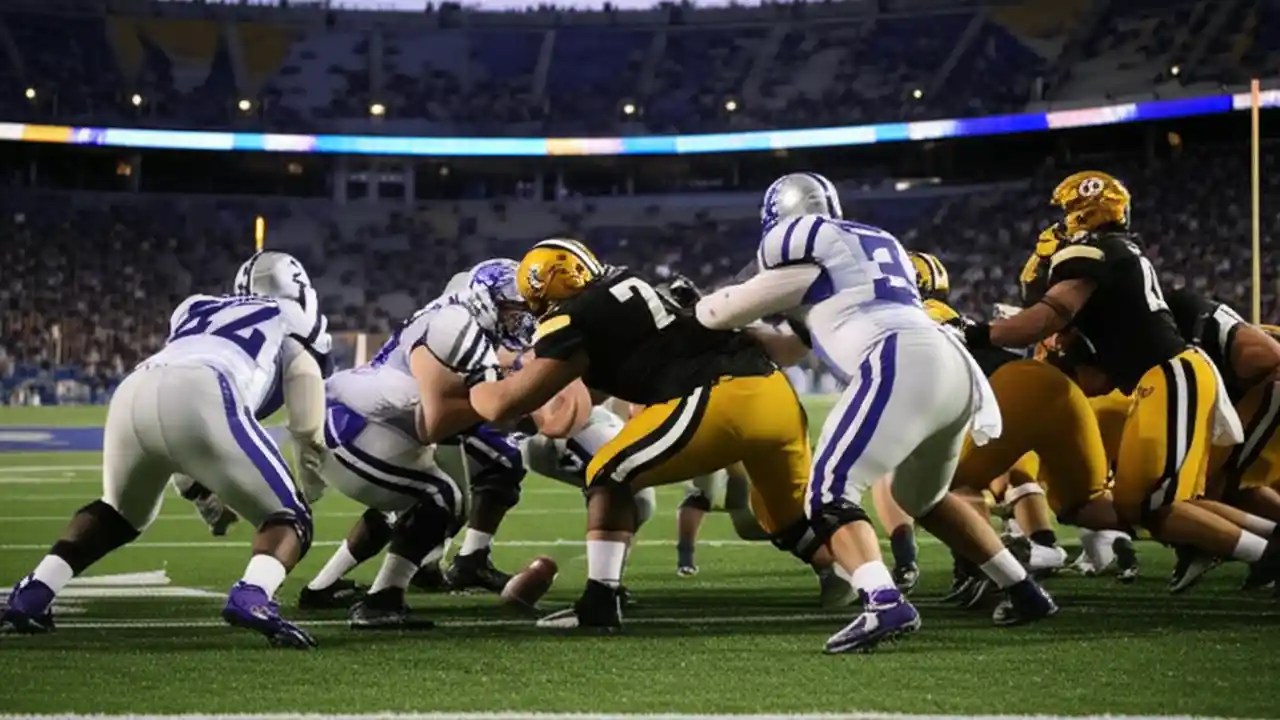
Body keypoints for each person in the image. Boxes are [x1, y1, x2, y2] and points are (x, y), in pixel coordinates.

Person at [695, 172, 1056, 653]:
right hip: (949, 366)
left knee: (827, 493)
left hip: (897, 358)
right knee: (922, 497)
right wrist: (753, 333)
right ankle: (1023, 589)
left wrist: (694, 307)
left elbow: (717, 314)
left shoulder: (803, 258)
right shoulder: (858, 259)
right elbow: (791, 347)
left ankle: (883, 601)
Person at [469, 239, 829, 632]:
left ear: (549, 283)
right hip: (774, 393)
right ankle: (855, 578)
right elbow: (598, 388)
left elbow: (504, 404)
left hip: (719, 395)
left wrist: (475, 379)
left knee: (609, 474)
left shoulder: (572, 316)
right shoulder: (628, 283)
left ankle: (599, 603)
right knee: (788, 518)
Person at [963, 171, 1280, 587]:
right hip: (1165, 378)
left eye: (1065, 216)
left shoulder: (1096, 251)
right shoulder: (1115, 261)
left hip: (1172, 374)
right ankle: (1267, 549)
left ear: (1085, 212)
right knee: (1144, 504)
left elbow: (1046, 316)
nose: (1059, 229)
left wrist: (974, 331)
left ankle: (1270, 554)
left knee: (1154, 504)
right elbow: (1094, 380)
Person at [3, 252, 330, 648]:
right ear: (300, 291)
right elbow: (305, 407)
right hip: (207, 390)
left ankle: (35, 590)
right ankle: (254, 595)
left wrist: (201, 495)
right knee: (290, 516)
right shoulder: (291, 316)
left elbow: (176, 433)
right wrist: (311, 474)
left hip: (136, 387)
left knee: (119, 512)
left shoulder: (196, 307)